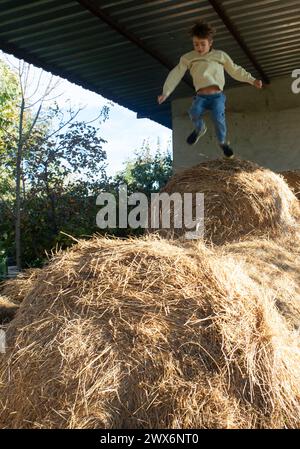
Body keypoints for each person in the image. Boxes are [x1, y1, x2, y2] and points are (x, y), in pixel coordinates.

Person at [157, 20, 263, 158]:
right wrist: (166, 92)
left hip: (217, 96)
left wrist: (252, 80)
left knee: (218, 117)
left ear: (210, 43)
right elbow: (176, 73)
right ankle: (200, 128)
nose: (199, 48)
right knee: (194, 112)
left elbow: (235, 70)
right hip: (200, 96)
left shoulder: (220, 55)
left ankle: (223, 142)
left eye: (203, 44)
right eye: (196, 44)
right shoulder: (188, 58)